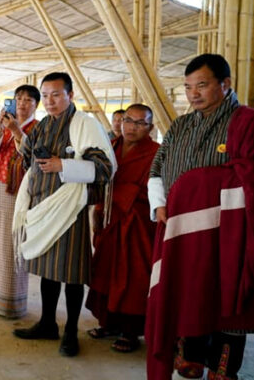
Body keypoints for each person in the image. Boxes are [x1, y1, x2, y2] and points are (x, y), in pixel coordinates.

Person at [146, 54, 254, 380]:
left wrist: (201, 185)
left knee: (226, 296)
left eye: (202, 85)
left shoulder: (248, 122)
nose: (193, 94)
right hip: (181, 228)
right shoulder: (181, 125)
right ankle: (191, 353)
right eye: (188, 87)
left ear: (225, 85)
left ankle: (223, 366)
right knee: (190, 290)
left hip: (228, 233)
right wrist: (159, 205)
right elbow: (158, 168)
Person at [11, 72, 115, 357]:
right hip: (42, 204)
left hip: (70, 206)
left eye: (56, 94)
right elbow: (28, 155)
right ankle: (47, 323)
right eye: (45, 96)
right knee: (48, 269)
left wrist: (63, 165)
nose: (50, 101)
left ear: (70, 95)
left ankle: (70, 330)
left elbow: (105, 168)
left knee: (70, 271)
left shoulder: (85, 124)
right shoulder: (43, 124)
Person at [85, 104, 159, 353]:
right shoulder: (111, 147)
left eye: (140, 123)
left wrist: (119, 194)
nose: (132, 127)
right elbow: (100, 180)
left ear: (150, 127)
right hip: (109, 218)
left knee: (133, 276)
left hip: (137, 223)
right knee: (105, 271)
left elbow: (157, 191)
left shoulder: (157, 153)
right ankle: (108, 323)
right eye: (129, 120)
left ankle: (130, 331)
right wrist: (98, 210)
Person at [0, 85, 40, 319]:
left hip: (21, 190)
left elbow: (33, 153)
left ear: (36, 104)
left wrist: (16, 131)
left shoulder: (39, 127)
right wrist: (1, 128)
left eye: (28, 100)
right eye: (19, 99)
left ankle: (11, 300)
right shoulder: (1, 122)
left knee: (14, 242)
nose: (22, 104)